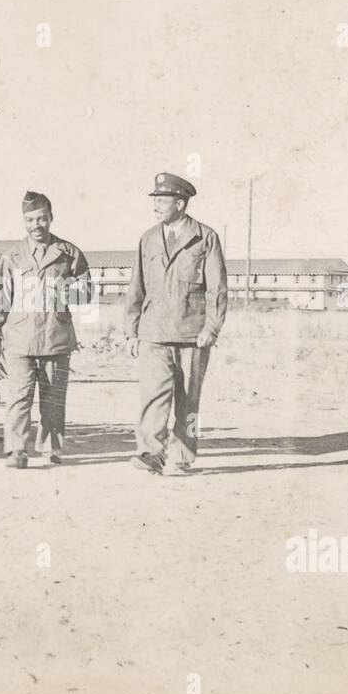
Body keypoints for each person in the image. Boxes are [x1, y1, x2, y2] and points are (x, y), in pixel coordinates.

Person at [124, 172, 227, 475]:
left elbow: (217, 288)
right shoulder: (148, 238)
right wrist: (131, 331)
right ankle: (151, 454)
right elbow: (136, 288)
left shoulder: (205, 237)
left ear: (180, 203)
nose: (155, 206)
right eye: (154, 200)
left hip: (192, 334)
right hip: (153, 331)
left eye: (162, 200)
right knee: (153, 396)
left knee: (189, 399)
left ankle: (183, 456)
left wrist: (212, 328)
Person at [0, 191, 93, 469]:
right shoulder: (12, 257)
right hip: (20, 338)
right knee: (19, 397)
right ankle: (16, 450)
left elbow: (87, 294)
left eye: (42, 219)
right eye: (30, 220)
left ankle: (51, 449)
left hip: (56, 337)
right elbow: (0, 297)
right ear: (24, 221)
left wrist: (64, 290)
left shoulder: (69, 253)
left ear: (51, 218)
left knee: (53, 399)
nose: (36, 225)